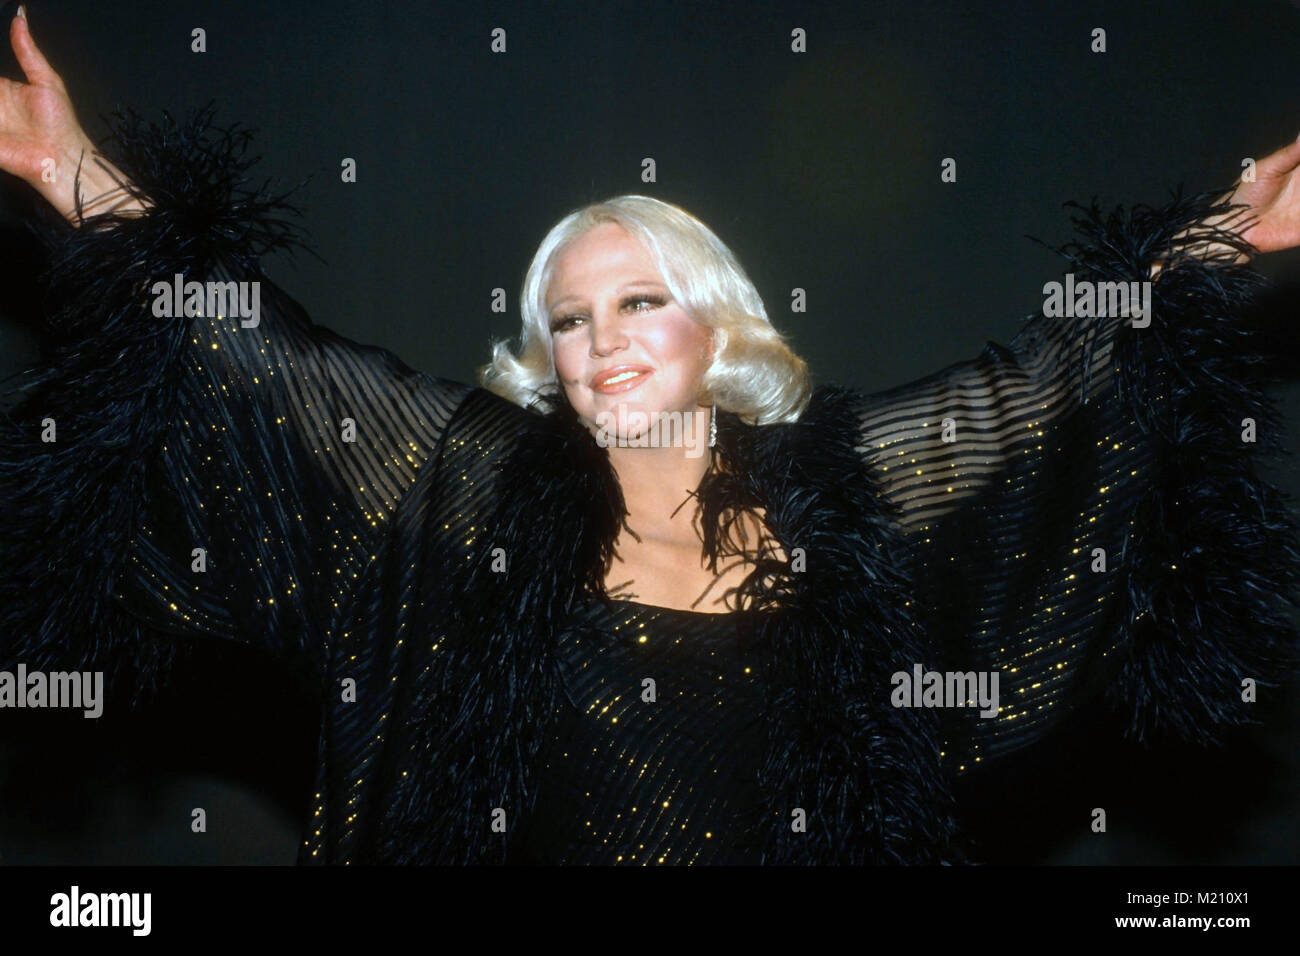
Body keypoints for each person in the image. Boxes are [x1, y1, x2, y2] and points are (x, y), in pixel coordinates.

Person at [2, 6, 1299, 865]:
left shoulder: (847, 496)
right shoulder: (470, 491)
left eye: (637, 300)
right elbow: (260, 354)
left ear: (717, 323)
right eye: (568, 318)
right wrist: (79, 182)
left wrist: (1210, 246)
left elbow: (1040, 387)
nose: (602, 337)